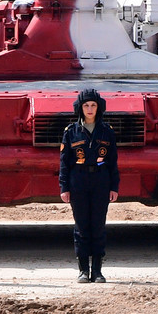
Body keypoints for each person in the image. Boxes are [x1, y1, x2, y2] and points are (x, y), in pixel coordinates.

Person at [59, 89, 119, 283]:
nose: (90, 109)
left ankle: (98, 271)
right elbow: (64, 162)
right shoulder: (71, 132)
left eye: (93, 105)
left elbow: (112, 162)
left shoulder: (107, 131)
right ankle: (83, 270)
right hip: (79, 180)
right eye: (86, 105)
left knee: (98, 226)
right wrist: (64, 187)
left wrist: (114, 187)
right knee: (82, 226)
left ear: (98, 107)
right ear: (80, 108)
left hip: (101, 180)